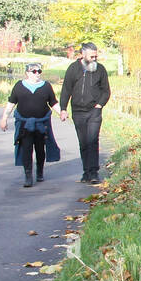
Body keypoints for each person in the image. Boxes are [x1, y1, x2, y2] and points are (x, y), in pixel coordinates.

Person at [59, 42, 111, 184]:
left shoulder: (100, 70)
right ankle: (86, 172)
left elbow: (106, 91)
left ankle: (94, 173)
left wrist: (99, 105)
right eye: (91, 56)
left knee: (93, 141)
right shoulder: (73, 69)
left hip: (94, 111)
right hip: (78, 112)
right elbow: (66, 90)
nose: (94, 59)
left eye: (96, 56)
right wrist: (63, 109)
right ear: (83, 54)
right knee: (83, 143)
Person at [1, 62, 60, 187]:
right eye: (34, 71)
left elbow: (53, 102)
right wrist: (4, 118)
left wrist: (62, 113)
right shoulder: (19, 86)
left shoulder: (46, 86)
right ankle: (28, 176)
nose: (37, 74)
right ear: (27, 73)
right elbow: (11, 103)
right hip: (25, 124)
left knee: (40, 149)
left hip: (41, 123)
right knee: (26, 148)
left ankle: (40, 172)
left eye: (39, 71)